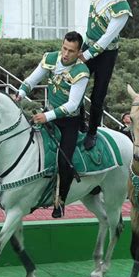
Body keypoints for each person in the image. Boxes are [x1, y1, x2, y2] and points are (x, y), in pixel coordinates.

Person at [16, 31, 90, 218]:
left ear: (78, 52)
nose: (66, 54)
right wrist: (20, 94)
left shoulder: (82, 72)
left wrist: (47, 116)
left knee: (65, 162)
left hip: (70, 121)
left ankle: (60, 202)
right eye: (64, 48)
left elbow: (73, 105)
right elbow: (31, 80)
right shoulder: (50, 58)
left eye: (71, 51)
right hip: (49, 114)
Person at [79, 0, 132, 150]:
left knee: (98, 94)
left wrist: (85, 56)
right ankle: (79, 125)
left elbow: (106, 38)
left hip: (106, 54)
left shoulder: (122, 9)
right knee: (76, 83)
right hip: (87, 46)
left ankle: (92, 131)